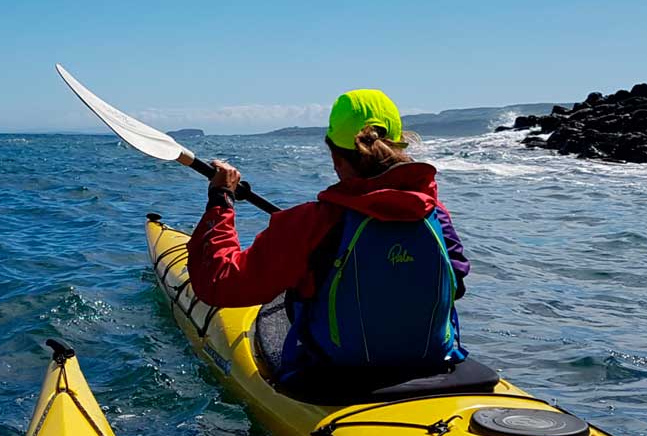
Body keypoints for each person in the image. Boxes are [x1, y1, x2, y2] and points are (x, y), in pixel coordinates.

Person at [187, 88, 470, 384]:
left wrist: (221, 199)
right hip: (434, 361)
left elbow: (220, 284)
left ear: (336, 157)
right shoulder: (435, 214)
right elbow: (456, 283)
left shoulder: (312, 222)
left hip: (334, 376)